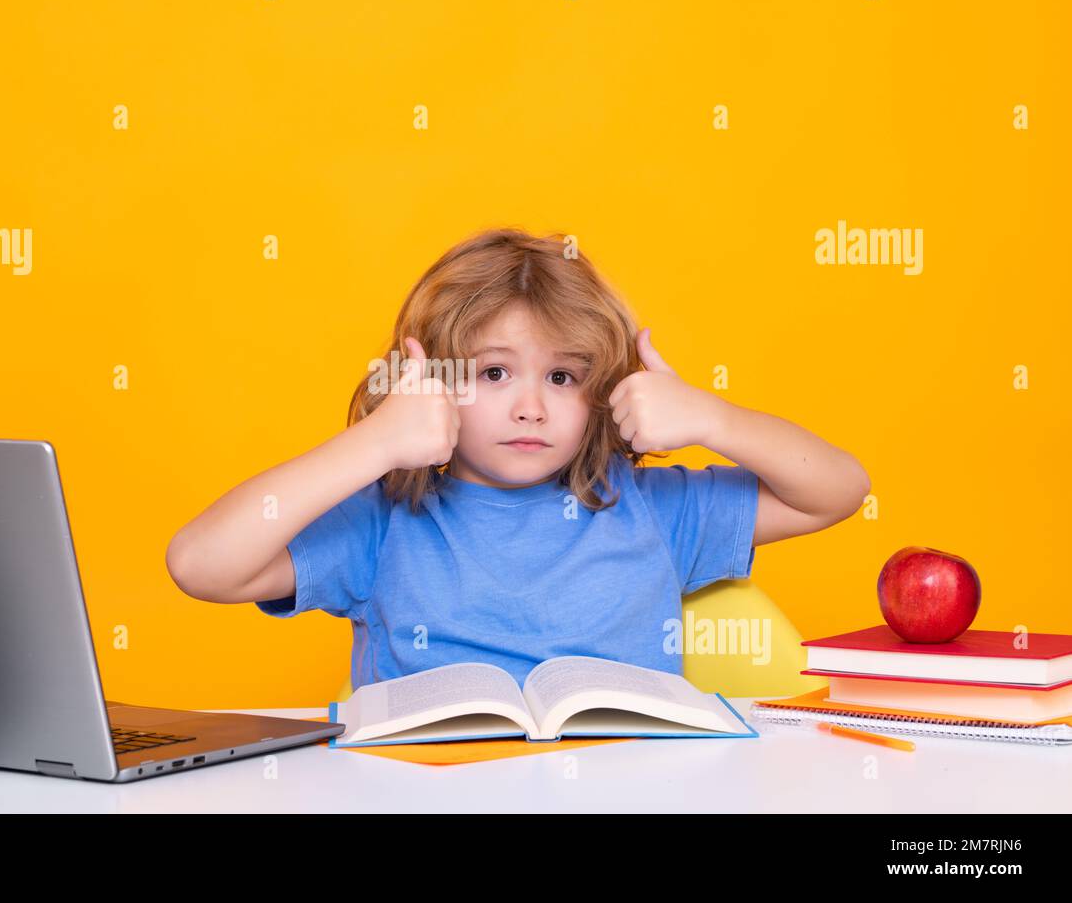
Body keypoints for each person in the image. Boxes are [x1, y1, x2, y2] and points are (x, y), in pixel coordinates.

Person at [166, 228, 870, 690]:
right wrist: (375, 443)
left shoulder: (653, 511)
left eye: (561, 377)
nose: (530, 407)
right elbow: (201, 563)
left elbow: (838, 490)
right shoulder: (383, 526)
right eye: (493, 373)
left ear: (601, 388)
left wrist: (711, 417)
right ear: (433, 379)